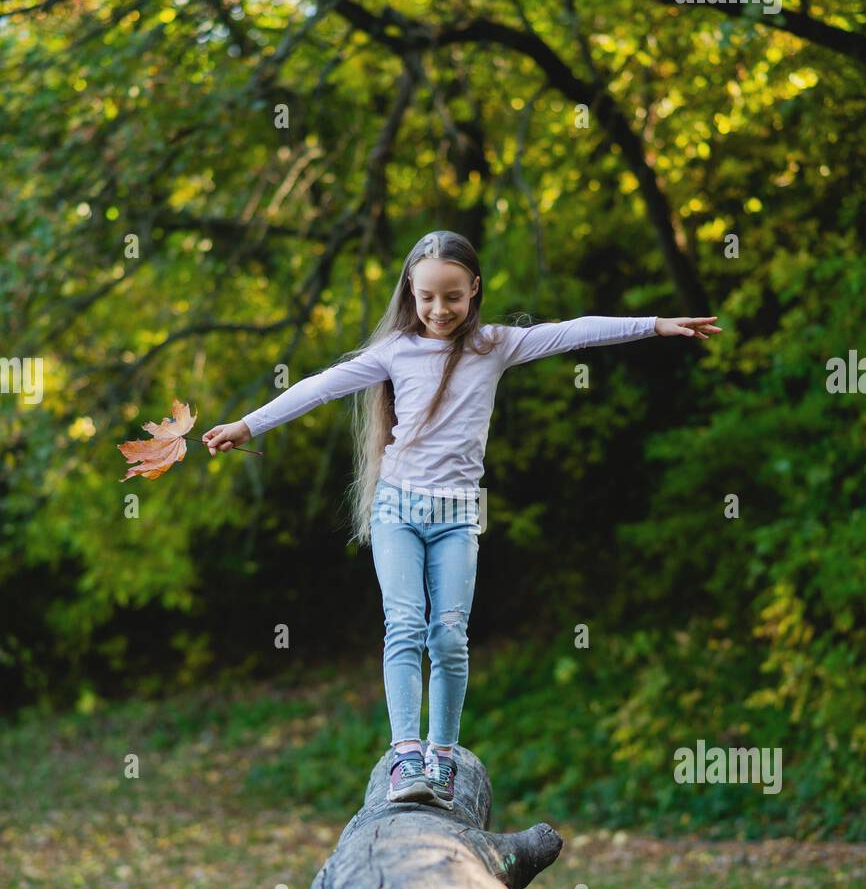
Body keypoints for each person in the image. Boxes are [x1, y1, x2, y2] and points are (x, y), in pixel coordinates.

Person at [204, 229, 720, 810]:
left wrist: (654, 325)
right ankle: (405, 757)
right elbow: (318, 388)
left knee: (448, 636)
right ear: (410, 291)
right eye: (426, 297)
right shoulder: (395, 352)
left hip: (457, 517)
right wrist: (246, 426)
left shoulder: (495, 346)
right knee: (404, 626)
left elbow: (573, 332)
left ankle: (442, 756)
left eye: (452, 296)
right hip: (397, 508)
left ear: (473, 290)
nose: (438, 310)